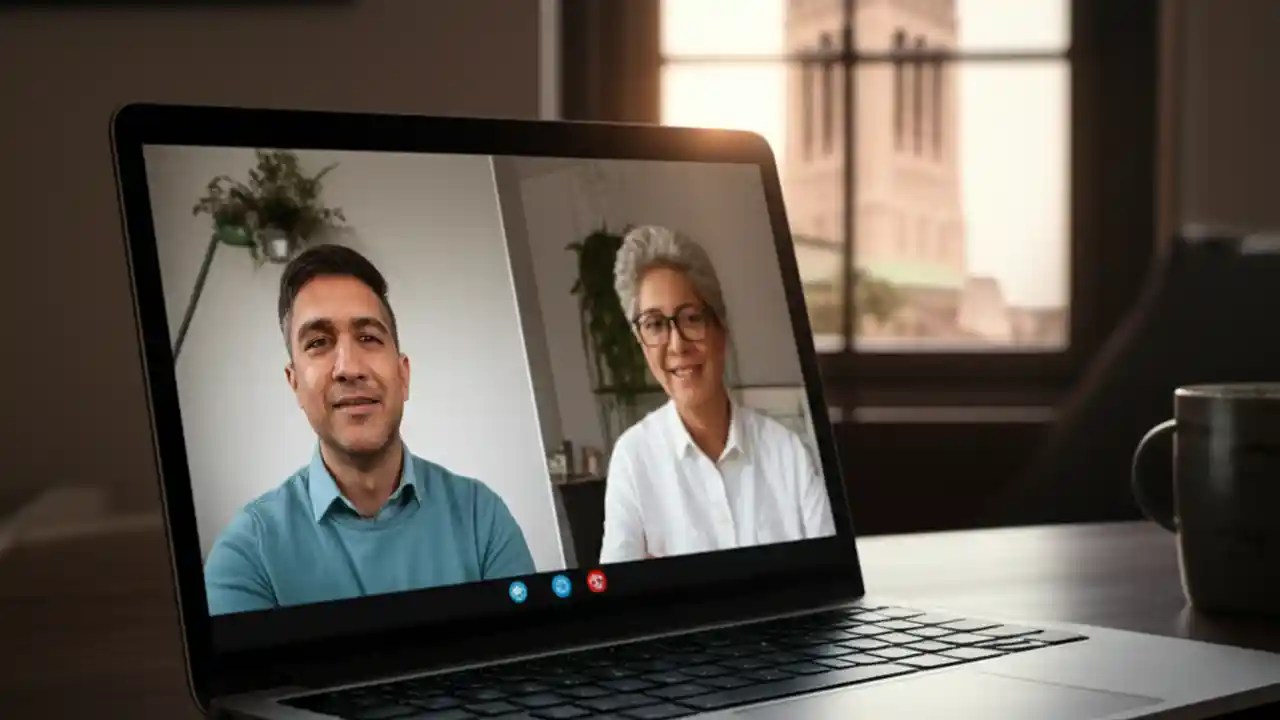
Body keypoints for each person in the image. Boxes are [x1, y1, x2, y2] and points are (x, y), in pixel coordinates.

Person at [204, 244, 535, 615]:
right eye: (318, 342)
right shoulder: (248, 555)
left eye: (368, 338)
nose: (349, 367)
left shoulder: (481, 519)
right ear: (294, 383)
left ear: (403, 374)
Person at [598, 226, 836, 564]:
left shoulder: (788, 453)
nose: (677, 344)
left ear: (720, 329)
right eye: (654, 325)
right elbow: (619, 604)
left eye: (691, 318)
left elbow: (826, 578)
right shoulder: (634, 459)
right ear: (641, 343)